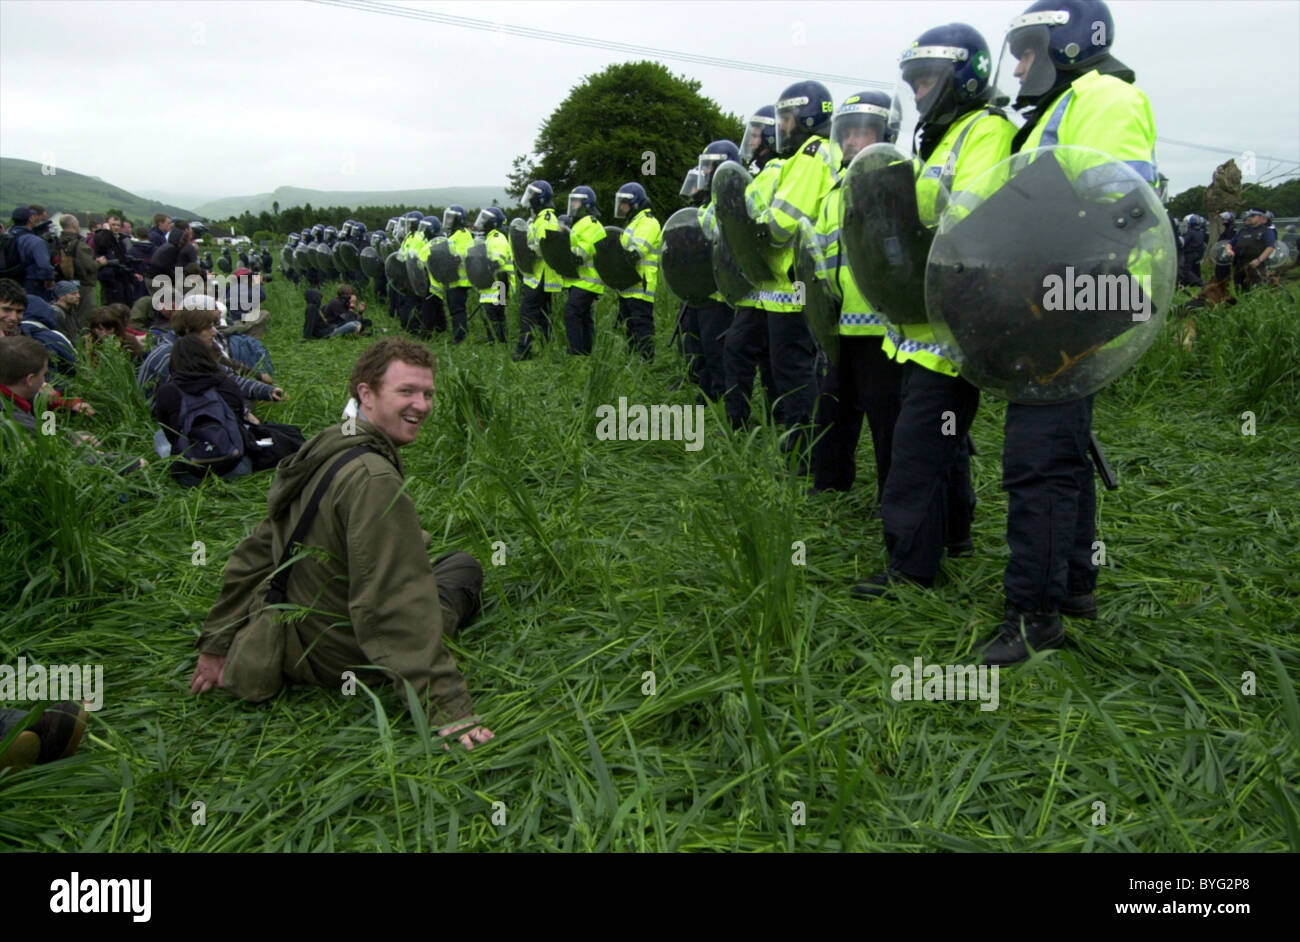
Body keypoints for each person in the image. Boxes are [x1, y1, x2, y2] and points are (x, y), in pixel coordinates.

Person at [191, 338, 495, 751]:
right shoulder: (373, 479)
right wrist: (447, 707)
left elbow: (257, 551)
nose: (422, 405)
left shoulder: (328, 443)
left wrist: (216, 642)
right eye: (406, 392)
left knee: (422, 555)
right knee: (462, 567)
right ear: (366, 394)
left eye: (427, 394)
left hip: (290, 633)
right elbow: (395, 599)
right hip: (343, 652)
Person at [980, 0, 1158, 665]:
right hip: (1060, 299)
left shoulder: (1104, 96)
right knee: (1064, 450)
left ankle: (1034, 615)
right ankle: (1075, 584)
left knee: (1037, 459)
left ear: (1073, 42)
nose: (1021, 64)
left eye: (1031, 49)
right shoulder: (1056, 109)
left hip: (1078, 300)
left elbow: (1111, 214)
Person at [855, 23, 1014, 602]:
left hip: (952, 325)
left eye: (927, 80)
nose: (918, 93)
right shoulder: (943, 139)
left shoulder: (985, 131)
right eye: (913, 82)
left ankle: (910, 571)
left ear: (962, 76)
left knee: (916, 450)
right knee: (944, 442)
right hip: (921, 328)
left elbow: (966, 220)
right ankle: (956, 536)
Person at [810, 91, 904, 499]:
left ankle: (893, 501)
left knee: (889, 421)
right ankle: (829, 489)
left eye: (862, 133)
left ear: (886, 133)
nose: (851, 141)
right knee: (831, 412)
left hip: (883, 326)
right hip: (839, 324)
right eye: (846, 133)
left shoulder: (898, 182)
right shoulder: (833, 191)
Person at [744, 80, 842, 463]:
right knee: (804, 369)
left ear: (806, 116)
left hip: (793, 289)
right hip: (805, 285)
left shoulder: (809, 156)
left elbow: (780, 224)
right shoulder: (822, 153)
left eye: (785, 118)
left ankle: (805, 451)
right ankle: (810, 444)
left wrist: (751, 229)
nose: (780, 126)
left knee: (796, 373)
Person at [722, 105, 782, 428]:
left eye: (757, 134)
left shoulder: (775, 171)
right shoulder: (762, 172)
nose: (752, 140)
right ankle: (768, 423)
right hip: (760, 288)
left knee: (742, 350)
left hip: (771, 287)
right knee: (766, 357)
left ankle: (743, 423)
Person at [514, 181, 563, 360]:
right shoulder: (539, 218)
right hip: (536, 274)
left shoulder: (547, 219)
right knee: (543, 314)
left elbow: (546, 247)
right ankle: (546, 348)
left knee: (528, 312)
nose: (530, 198)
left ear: (541, 198)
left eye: (533, 195)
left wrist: (530, 251)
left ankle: (524, 350)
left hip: (542, 274)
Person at [612, 182, 661, 360]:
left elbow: (636, 252)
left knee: (642, 324)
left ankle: (647, 360)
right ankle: (634, 360)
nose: (622, 207)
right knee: (630, 325)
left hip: (641, 283)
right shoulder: (634, 223)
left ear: (635, 203)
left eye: (625, 203)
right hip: (628, 284)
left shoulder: (648, 222)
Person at [559, 186, 606, 355]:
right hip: (580, 280)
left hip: (588, 281)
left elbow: (581, 254)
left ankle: (576, 352)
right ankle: (585, 352)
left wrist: (561, 251)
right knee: (585, 317)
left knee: (572, 313)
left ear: (586, 204)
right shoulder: (581, 224)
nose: (573, 205)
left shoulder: (591, 225)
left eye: (576, 201)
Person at [58, 214, 100, 327]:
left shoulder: (58, 241)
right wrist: (100, 262)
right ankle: (83, 340)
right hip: (82, 284)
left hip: (63, 283)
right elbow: (90, 266)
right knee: (86, 315)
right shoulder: (79, 244)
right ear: (74, 225)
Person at [8, 207, 57, 299]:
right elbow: (44, 265)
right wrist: (49, 279)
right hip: (31, 283)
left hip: (8, 281)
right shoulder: (34, 241)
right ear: (30, 219)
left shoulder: (6, 236)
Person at [442, 205, 475, 344]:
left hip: (460, 280)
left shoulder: (463, 234)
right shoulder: (453, 234)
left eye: (451, 217)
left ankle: (460, 338)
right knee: (454, 308)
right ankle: (458, 334)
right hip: (452, 279)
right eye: (447, 217)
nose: (448, 220)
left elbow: (462, 255)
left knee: (458, 310)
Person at [1225, 208, 1276, 293]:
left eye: (1253, 216)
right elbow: (1229, 244)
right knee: (1239, 289)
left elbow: (1270, 247)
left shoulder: (1266, 231)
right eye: (1249, 216)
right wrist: (1229, 250)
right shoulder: (1243, 231)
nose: (1249, 217)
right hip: (1239, 265)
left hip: (1255, 265)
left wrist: (1259, 260)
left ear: (1261, 218)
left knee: (1256, 289)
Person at [1180, 214, 1207, 288]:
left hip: (1190, 254)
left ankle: (1201, 283)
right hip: (1197, 254)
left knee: (1186, 271)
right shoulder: (1200, 232)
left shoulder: (1190, 232)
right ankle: (1186, 284)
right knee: (1194, 270)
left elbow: (1183, 242)